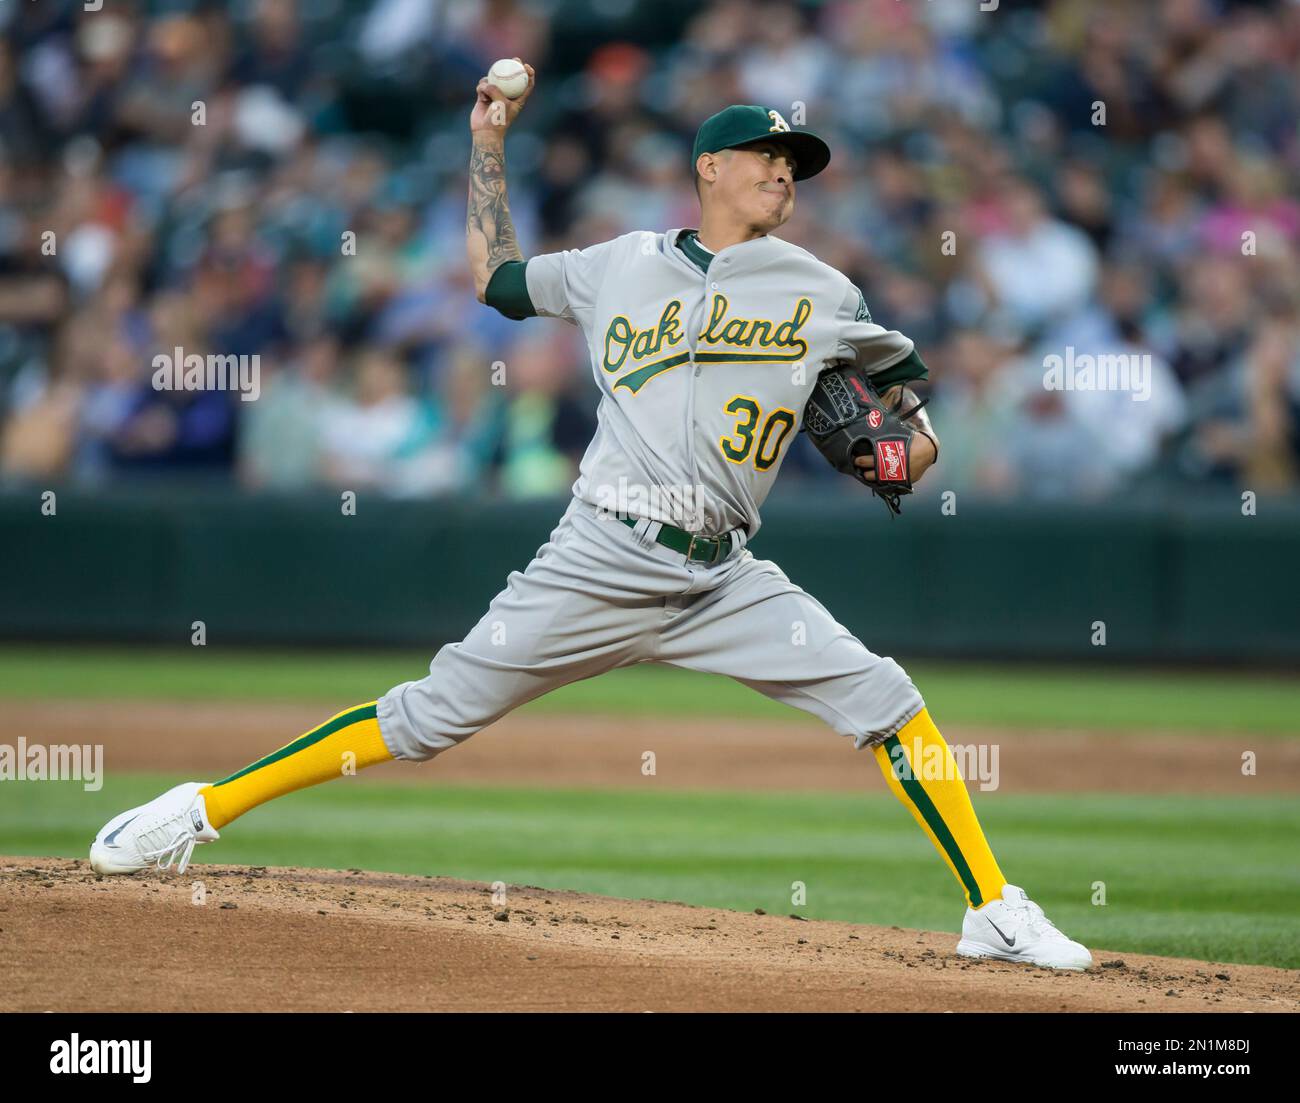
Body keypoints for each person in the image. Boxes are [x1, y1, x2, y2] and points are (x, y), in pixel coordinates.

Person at [89, 62, 1092, 972]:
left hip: (724, 574)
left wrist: (907, 445)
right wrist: (488, 144)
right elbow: (496, 277)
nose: (784, 173)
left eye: (794, 163)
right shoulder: (618, 264)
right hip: (602, 551)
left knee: (888, 700)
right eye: (766, 155)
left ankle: (992, 908)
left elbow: (908, 420)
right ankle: (200, 807)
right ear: (709, 168)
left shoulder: (824, 291)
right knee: (426, 718)